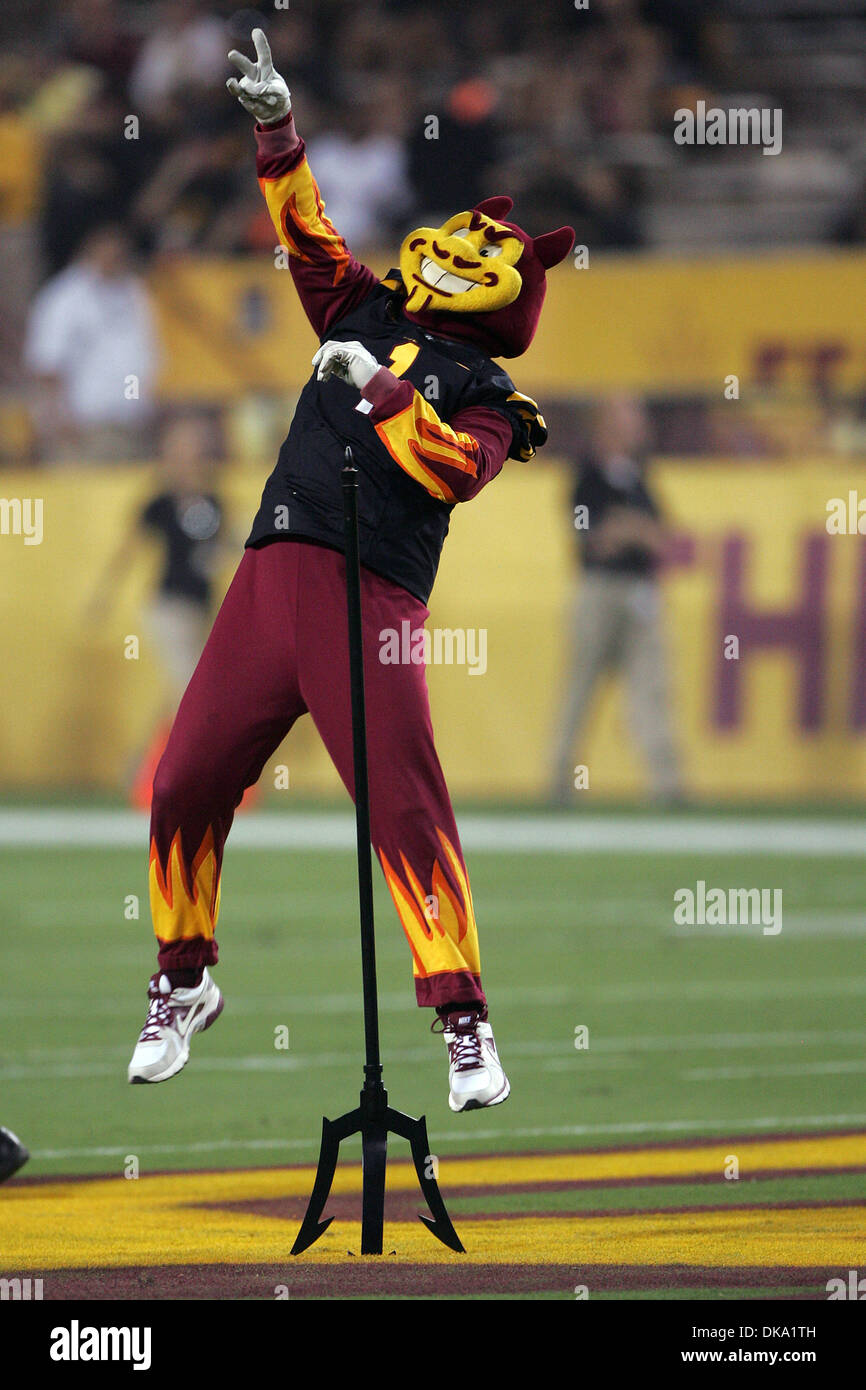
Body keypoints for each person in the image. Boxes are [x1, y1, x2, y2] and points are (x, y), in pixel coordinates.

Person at [127, 29, 574, 1112]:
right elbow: (305, 228)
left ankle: (464, 1022)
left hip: (368, 593)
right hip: (270, 567)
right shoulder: (362, 304)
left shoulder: (487, 392)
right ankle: (181, 981)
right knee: (185, 779)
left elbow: (449, 472)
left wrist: (380, 388)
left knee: (403, 807)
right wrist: (275, 130)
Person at [87, 412, 234, 806]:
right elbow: (129, 550)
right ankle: (180, 775)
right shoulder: (161, 501)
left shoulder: (214, 500)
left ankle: (142, 768)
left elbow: (228, 546)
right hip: (167, 606)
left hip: (200, 608)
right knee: (188, 688)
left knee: (180, 691)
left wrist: (223, 555)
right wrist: (103, 595)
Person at [549, 393, 683, 804]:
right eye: (630, 414)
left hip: (640, 591)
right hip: (599, 593)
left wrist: (629, 529)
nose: (639, 424)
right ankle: (559, 781)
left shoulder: (638, 475)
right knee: (580, 687)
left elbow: (663, 536)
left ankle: (668, 785)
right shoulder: (587, 474)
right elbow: (596, 540)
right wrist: (631, 530)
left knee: (652, 687)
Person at [24, 223, 158, 462]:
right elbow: (47, 364)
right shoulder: (64, 297)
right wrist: (58, 418)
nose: (115, 256)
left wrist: (135, 405)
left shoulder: (133, 292)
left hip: (128, 427)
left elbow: (136, 360)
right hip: (81, 429)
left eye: (120, 251)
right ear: (91, 248)